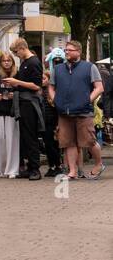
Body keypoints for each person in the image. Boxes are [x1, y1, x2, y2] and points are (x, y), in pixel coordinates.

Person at [47, 40, 105, 180]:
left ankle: (99, 164)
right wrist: (56, 100)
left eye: (70, 50)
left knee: (90, 141)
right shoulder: (58, 69)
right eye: (66, 50)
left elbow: (99, 87)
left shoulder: (89, 67)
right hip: (64, 112)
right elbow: (51, 87)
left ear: (78, 52)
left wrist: (86, 100)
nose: (67, 52)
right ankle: (72, 171)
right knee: (68, 142)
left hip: (83, 111)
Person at [6, 38, 49, 180]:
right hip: (23, 102)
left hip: (30, 104)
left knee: (30, 136)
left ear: (23, 48)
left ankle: (35, 169)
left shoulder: (34, 62)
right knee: (25, 136)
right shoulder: (25, 63)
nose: (16, 55)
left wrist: (16, 82)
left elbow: (36, 85)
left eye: (16, 51)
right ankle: (30, 167)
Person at [0, 53, 21, 177]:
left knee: (12, 141)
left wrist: (15, 95)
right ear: (0, 62)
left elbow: (22, 90)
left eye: (9, 60)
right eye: (4, 60)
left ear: (12, 62)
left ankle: (12, 169)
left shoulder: (18, 74)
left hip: (12, 112)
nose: (6, 63)